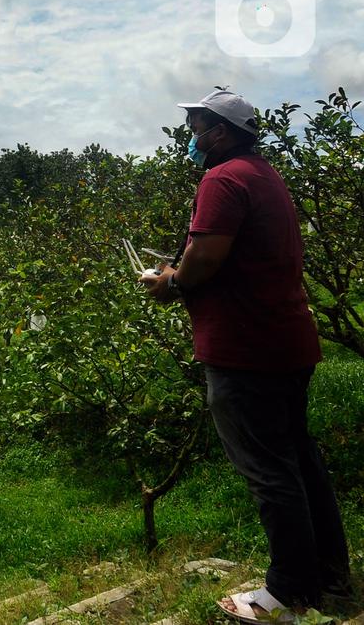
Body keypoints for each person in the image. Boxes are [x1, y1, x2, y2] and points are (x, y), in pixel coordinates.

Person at [140, 90, 352, 623]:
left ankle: (288, 596)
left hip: (244, 350)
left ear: (222, 132)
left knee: (270, 472)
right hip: (285, 342)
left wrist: (170, 281)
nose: (190, 133)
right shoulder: (263, 174)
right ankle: (330, 577)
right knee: (299, 461)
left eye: (196, 124)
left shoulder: (222, 178)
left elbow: (206, 255)